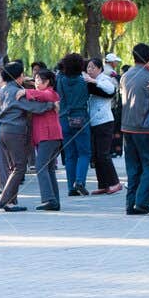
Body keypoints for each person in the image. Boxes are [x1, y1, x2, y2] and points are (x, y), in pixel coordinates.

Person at [120, 44, 149, 215]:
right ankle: (142, 202)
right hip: (145, 128)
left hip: (127, 127)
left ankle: (130, 204)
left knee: (133, 167)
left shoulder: (125, 76)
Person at [0, 61, 31, 211]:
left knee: (12, 167)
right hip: (16, 131)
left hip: (2, 131)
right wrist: (51, 105)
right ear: (19, 76)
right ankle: (5, 200)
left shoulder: (1, 91)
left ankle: (12, 201)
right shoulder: (18, 91)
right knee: (20, 167)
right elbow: (32, 107)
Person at [20, 67, 64, 210]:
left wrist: (25, 91)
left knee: (41, 167)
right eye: (36, 79)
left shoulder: (51, 94)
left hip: (49, 136)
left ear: (48, 82)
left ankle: (49, 199)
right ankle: (54, 200)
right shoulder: (42, 94)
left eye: (40, 80)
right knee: (49, 168)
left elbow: (45, 96)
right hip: (47, 137)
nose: (37, 82)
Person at [53, 53, 92, 197]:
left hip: (63, 118)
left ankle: (71, 187)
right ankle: (80, 181)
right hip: (80, 117)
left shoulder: (60, 80)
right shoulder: (83, 81)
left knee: (70, 155)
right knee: (84, 152)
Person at [87, 55, 122, 195]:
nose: (90, 70)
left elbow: (110, 89)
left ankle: (115, 183)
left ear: (100, 69)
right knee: (96, 155)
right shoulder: (90, 81)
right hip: (94, 122)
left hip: (104, 121)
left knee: (104, 154)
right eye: (88, 67)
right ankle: (103, 184)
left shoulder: (104, 79)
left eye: (93, 67)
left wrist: (94, 82)